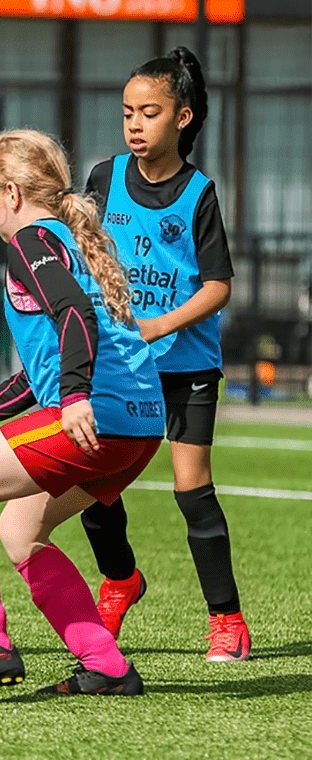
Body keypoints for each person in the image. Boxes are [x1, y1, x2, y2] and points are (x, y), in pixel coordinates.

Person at [0, 129, 165, 695]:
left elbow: (75, 314)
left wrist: (74, 397)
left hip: (96, 413)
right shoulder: (73, 244)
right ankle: (106, 665)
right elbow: (38, 375)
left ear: (12, 194)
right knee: (21, 530)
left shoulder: (31, 241)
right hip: (142, 424)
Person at [79, 46, 249, 662]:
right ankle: (121, 581)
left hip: (186, 369)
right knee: (96, 486)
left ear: (182, 117)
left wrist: (157, 326)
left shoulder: (199, 193)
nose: (133, 123)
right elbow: (82, 252)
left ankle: (226, 621)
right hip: (120, 365)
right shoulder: (103, 179)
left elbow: (219, 286)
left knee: (191, 489)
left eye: (148, 112)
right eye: (127, 111)